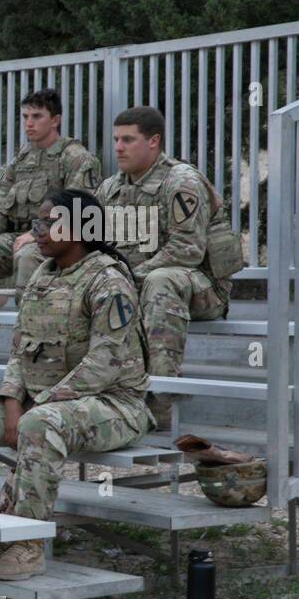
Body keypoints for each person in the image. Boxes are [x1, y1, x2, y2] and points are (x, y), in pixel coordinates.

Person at [0, 189, 152, 580]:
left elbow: (104, 363)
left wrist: (37, 403)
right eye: (36, 223)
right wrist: (12, 398)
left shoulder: (108, 281)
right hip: (43, 403)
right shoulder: (43, 274)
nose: (37, 231)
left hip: (114, 405)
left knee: (40, 424)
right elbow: (18, 351)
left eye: (47, 222)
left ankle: (26, 544)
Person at [95, 106, 242, 431]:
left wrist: (128, 279)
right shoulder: (110, 189)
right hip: (138, 286)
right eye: (116, 139)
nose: (118, 147)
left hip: (201, 287)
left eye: (128, 140)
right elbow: (90, 241)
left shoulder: (181, 182)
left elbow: (186, 251)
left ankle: (161, 400)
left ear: (153, 141)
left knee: (161, 280)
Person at [0, 89, 101, 356]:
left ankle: (31, 338)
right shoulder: (21, 160)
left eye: (37, 116)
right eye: (25, 116)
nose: (29, 123)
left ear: (54, 120)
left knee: (28, 255)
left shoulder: (75, 157)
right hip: (17, 237)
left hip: (60, 241)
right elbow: (1, 205)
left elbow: (79, 209)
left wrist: (38, 233)